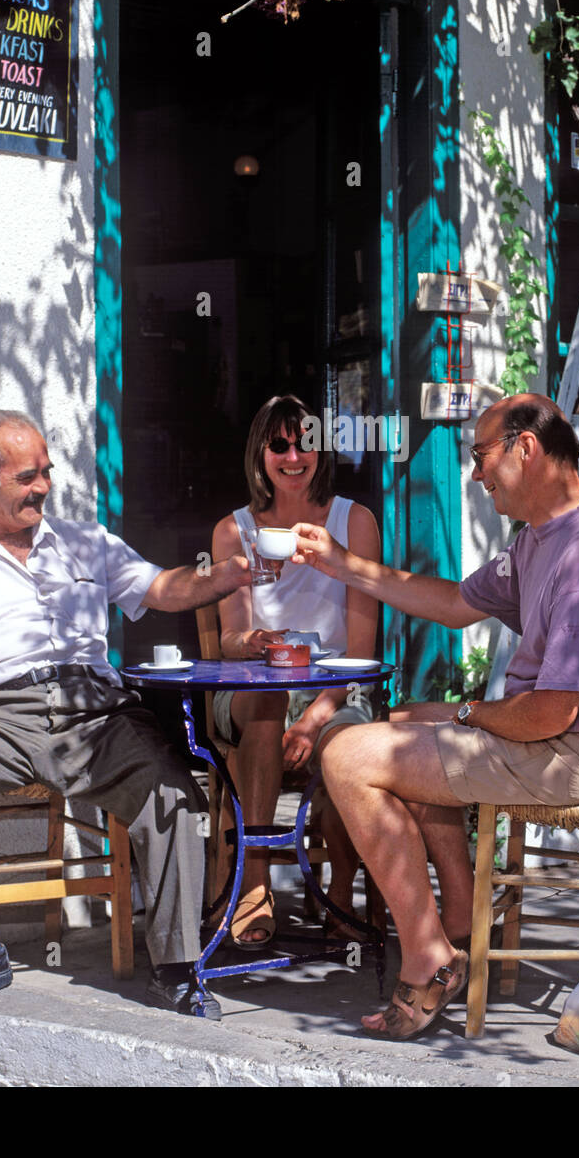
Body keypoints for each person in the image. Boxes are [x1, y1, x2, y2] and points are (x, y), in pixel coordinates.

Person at [291, 393, 579, 1040]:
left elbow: (553, 710)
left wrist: (463, 712)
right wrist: (343, 565)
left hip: (576, 750)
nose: (474, 473)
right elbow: (456, 603)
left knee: (346, 756)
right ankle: (462, 924)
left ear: (526, 448)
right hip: (560, 737)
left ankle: (430, 956)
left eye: (481, 455)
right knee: (397, 728)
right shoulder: (543, 539)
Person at [0, 409, 253, 1018]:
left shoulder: (84, 540)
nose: (43, 487)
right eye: (27, 477)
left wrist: (227, 576)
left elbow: (161, 589)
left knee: (174, 792)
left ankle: (177, 968)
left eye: (47, 472)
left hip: (95, 710)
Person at [210, 394, 380, 950]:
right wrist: (255, 641)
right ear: (260, 452)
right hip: (251, 688)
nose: (292, 455)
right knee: (263, 704)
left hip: (333, 690)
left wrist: (315, 718)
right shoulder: (232, 531)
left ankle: (340, 887)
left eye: (304, 442)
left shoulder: (354, 522)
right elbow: (231, 643)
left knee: (344, 741)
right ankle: (255, 880)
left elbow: (361, 651)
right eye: (278, 444)